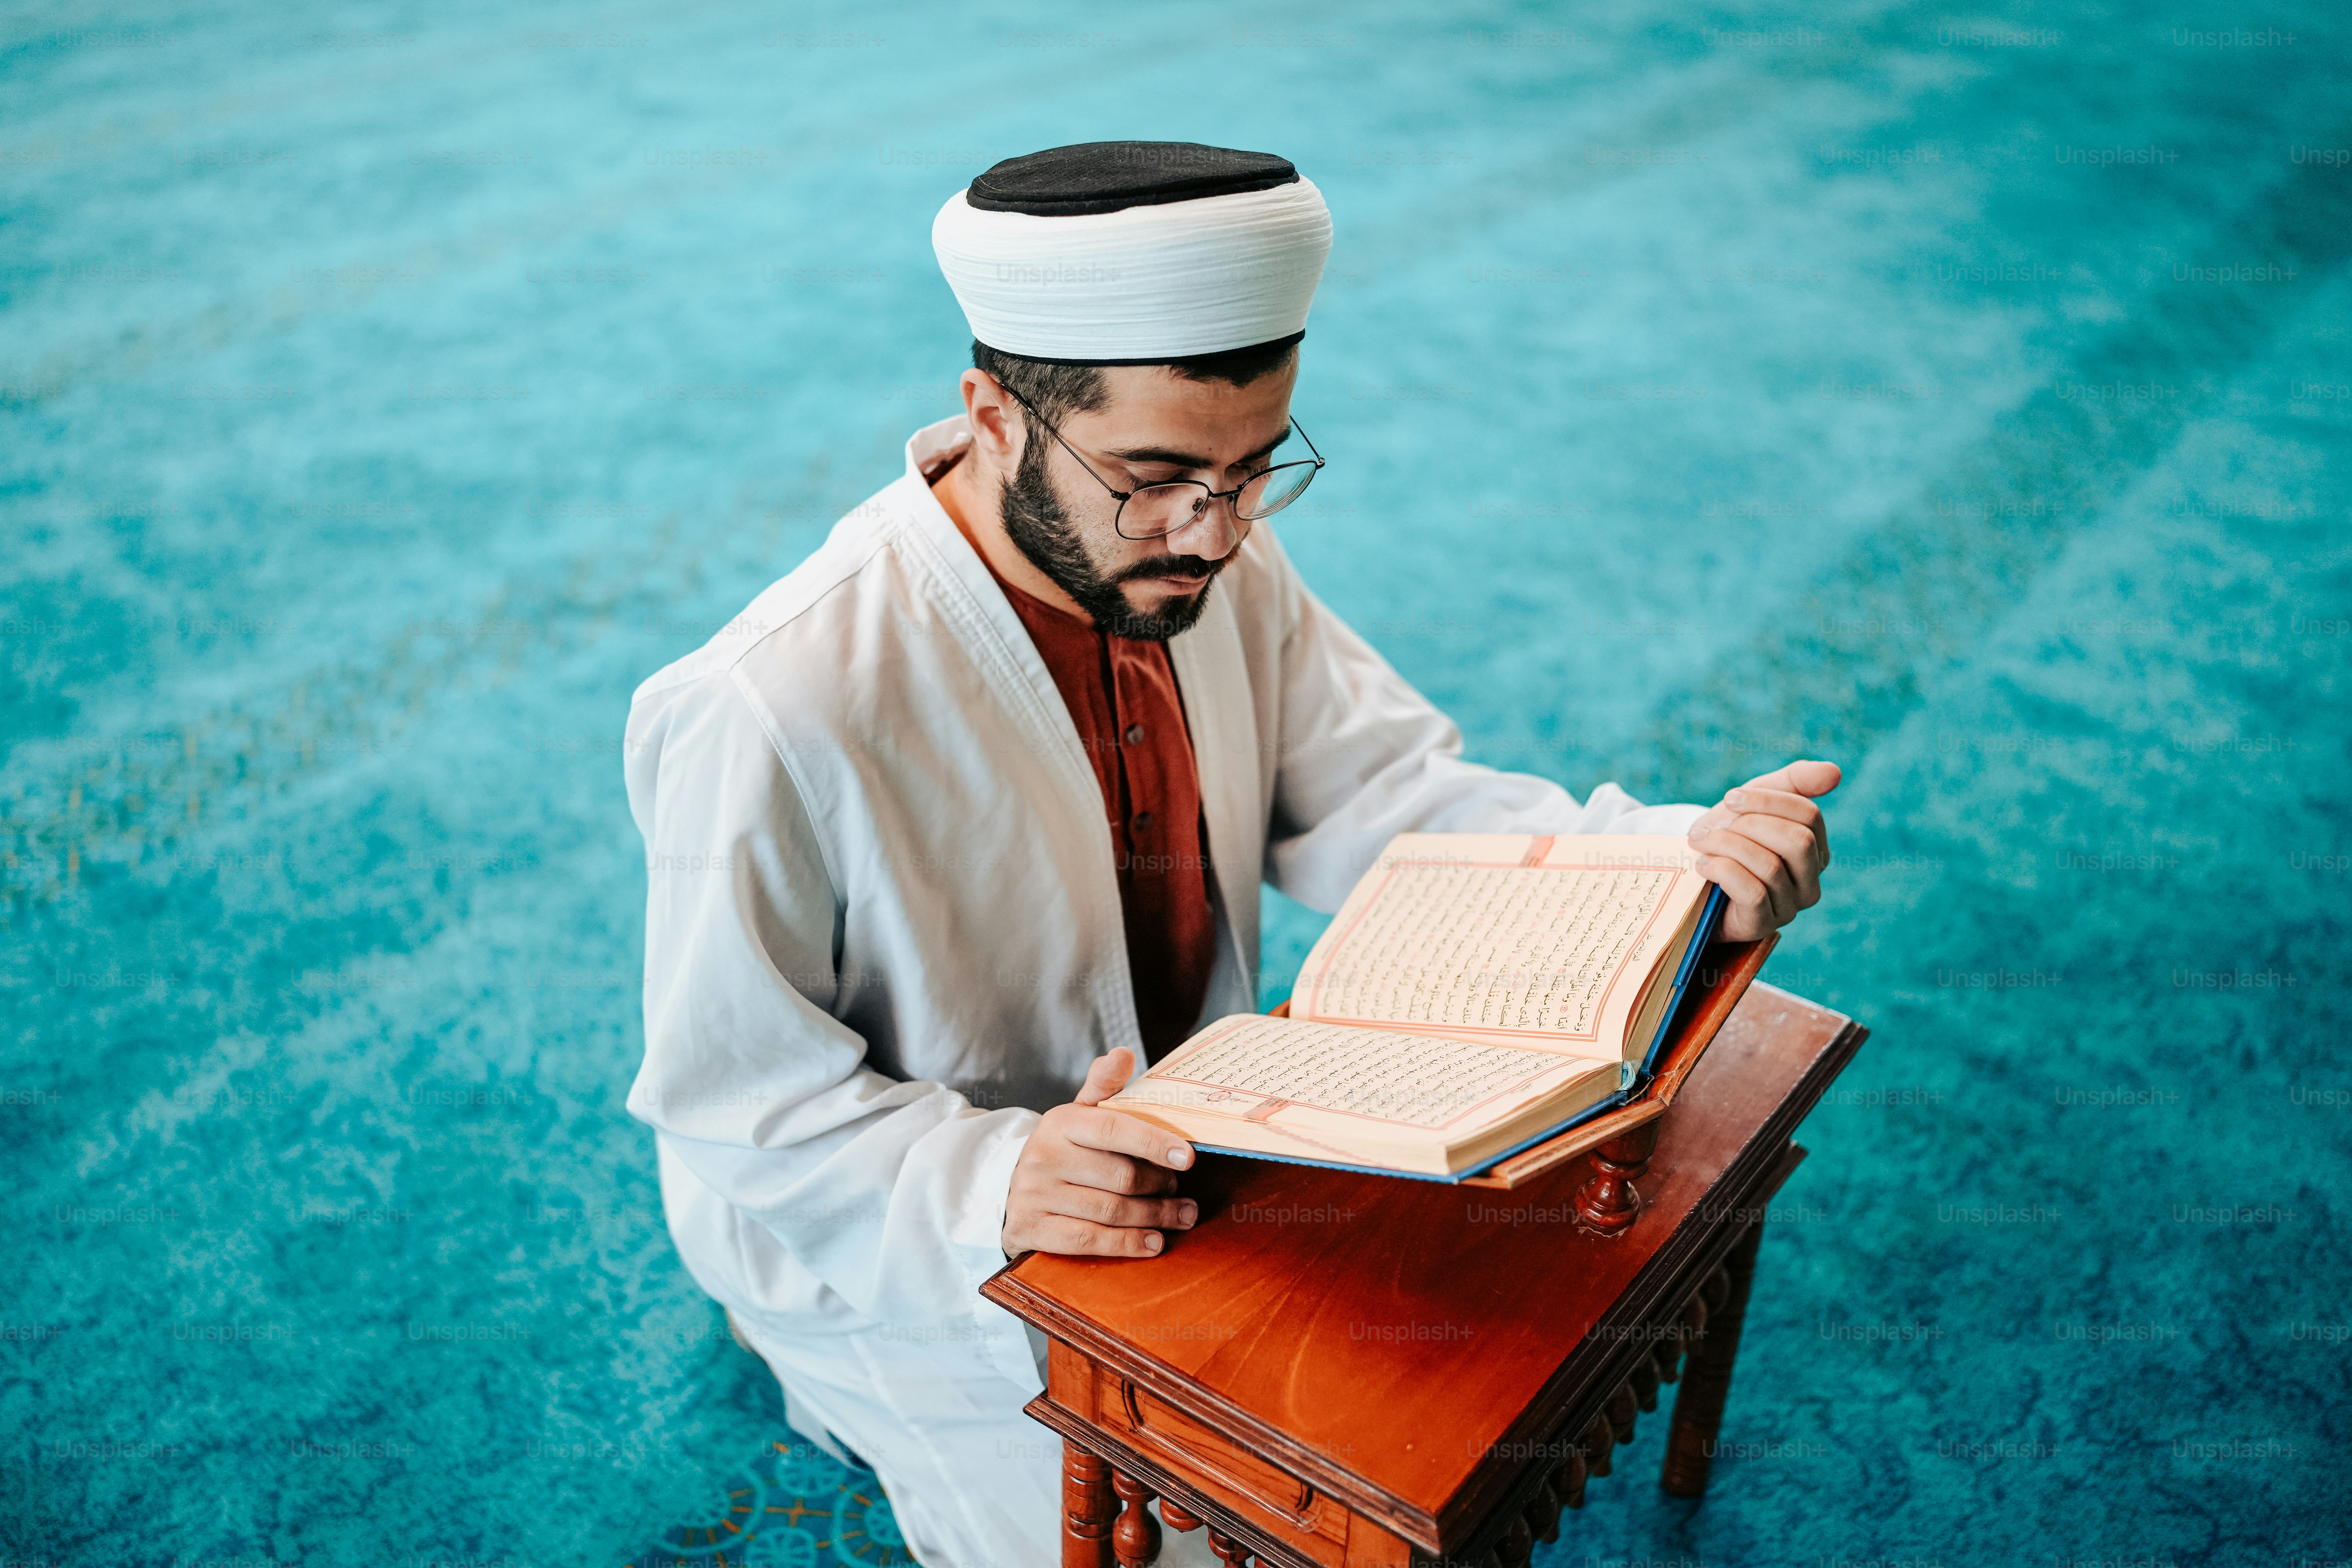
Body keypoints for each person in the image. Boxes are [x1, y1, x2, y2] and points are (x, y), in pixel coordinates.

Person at [621, 140, 1837, 1568]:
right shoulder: (767, 703)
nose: (1213, 533)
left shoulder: (1204, 550)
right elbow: (731, 1104)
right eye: (1156, 478)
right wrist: (998, 1183)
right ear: (993, 416)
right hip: (912, 1232)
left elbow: (1385, 793)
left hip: (1210, 1134)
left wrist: (1669, 851)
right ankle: (824, 1374)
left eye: (1256, 470)